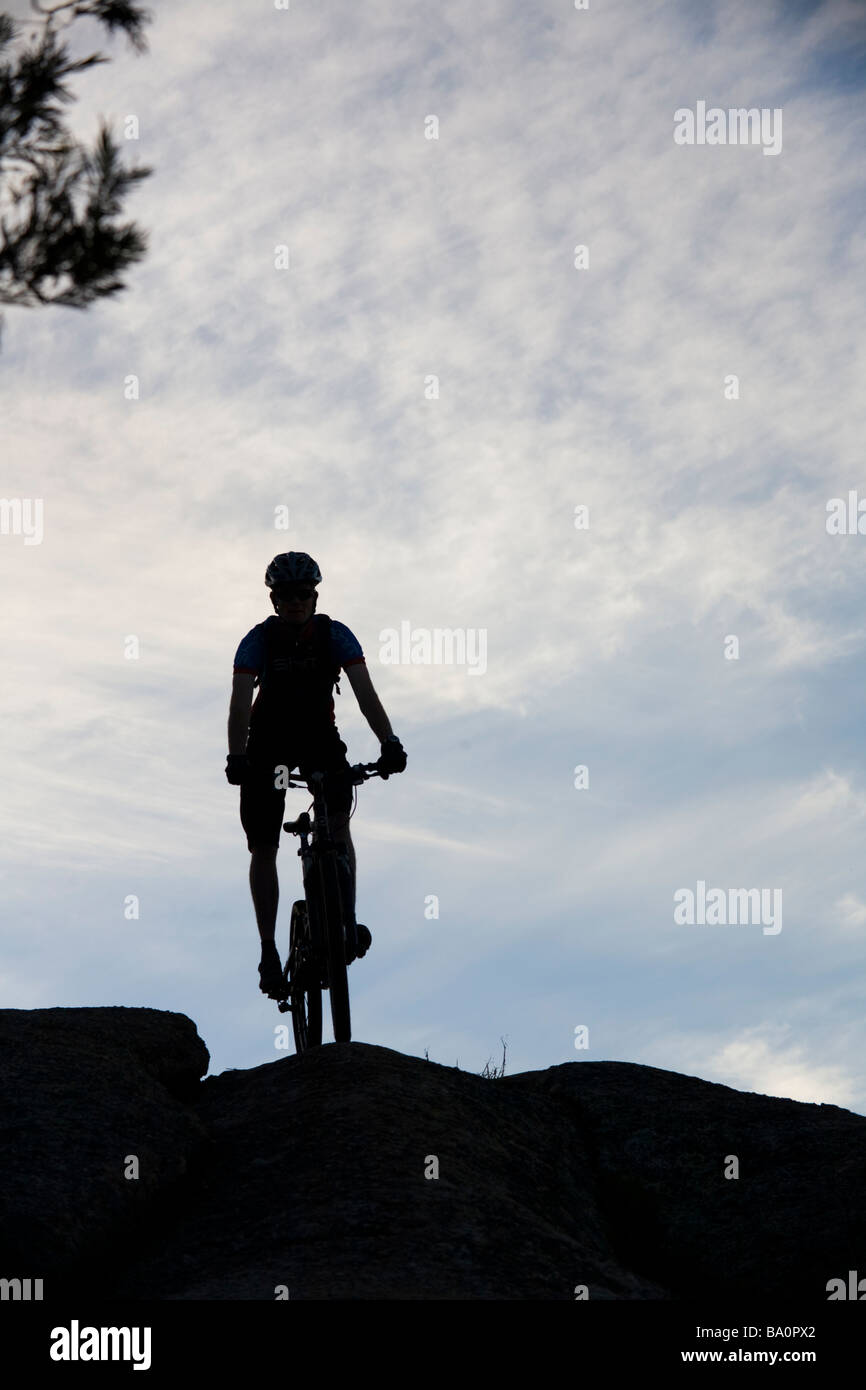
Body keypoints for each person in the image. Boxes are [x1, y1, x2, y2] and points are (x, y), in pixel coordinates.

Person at [225, 552, 407, 997]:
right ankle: (269, 950)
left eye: (302, 594)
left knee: (339, 821)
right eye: (285, 595)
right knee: (264, 844)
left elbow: (365, 693)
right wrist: (236, 756)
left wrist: (389, 742)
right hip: (270, 751)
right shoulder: (258, 641)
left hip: (318, 743)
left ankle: (345, 922)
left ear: (314, 596)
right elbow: (239, 703)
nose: (294, 602)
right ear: (274, 599)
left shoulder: (334, 635)